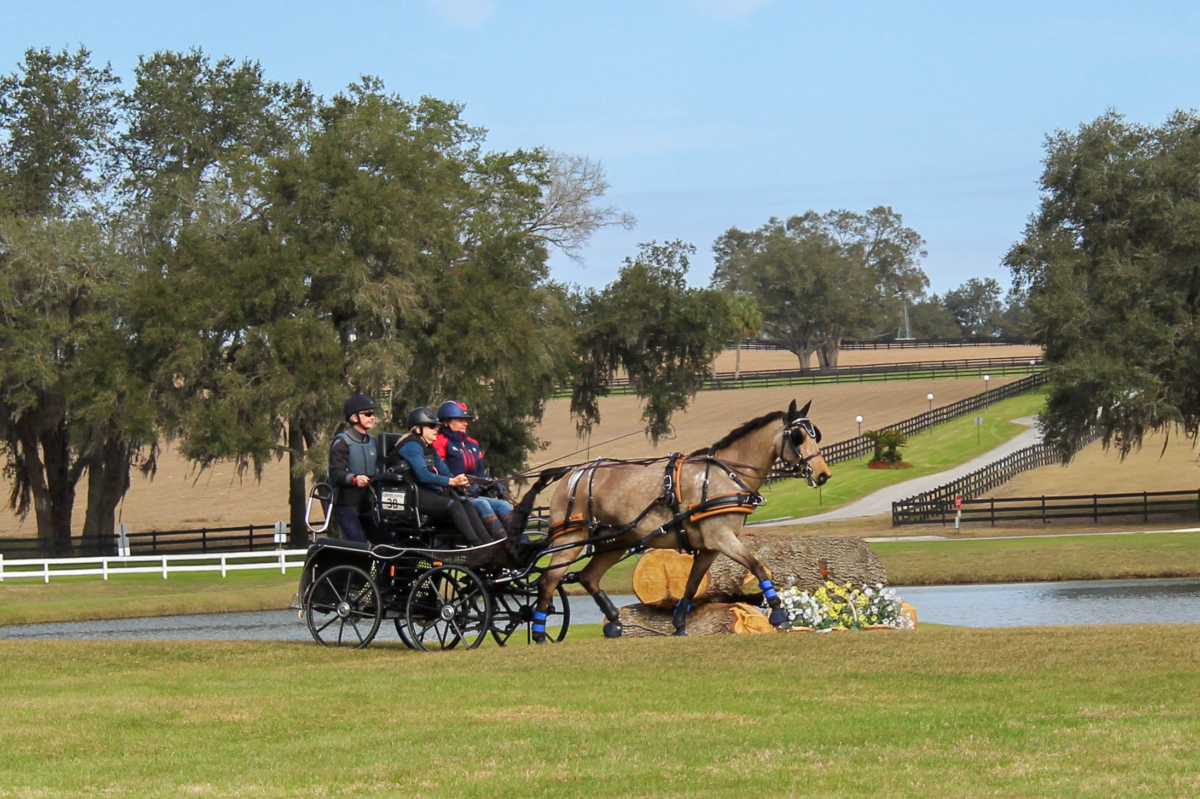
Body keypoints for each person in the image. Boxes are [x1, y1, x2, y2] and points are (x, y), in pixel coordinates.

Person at [396, 407, 501, 547]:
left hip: (430, 493)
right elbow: (423, 475)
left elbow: (445, 471)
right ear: (417, 429)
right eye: (432, 426)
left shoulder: (430, 448)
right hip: (414, 495)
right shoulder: (412, 445)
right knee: (454, 505)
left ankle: (488, 545)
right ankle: (475, 545)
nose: (436, 430)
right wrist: (452, 481)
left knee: (467, 504)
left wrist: (460, 482)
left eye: (437, 426)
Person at [433, 400, 513, 536]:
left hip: (474, 495)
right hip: (454, 495)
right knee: (483, 504)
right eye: (459, 420)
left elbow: (480, 473)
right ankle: (501, 542)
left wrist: (492, 482)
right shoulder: (439, 442)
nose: (465, 423)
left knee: (504, 505)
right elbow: (442, 472)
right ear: (446, 422)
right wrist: (462, 485)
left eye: (466, 420)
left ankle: (522, 540)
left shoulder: (473, 444)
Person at [327, 393, 387, 544]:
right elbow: (336, 473)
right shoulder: (342, 442)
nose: (372, 417)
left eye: (372, 414)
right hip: (346, 505)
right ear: (354, 418)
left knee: (387, 543)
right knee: (359, 545)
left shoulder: (374, 442)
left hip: (369, 504)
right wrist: (355, 479)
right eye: (367, 414)